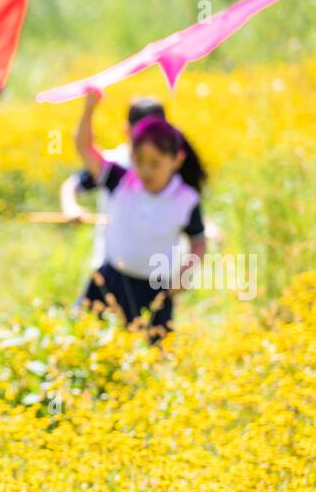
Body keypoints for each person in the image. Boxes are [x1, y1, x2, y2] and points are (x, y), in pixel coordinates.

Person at [74, 89, 208, 342]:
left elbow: (198, 241)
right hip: (110, 280)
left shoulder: (185, 199)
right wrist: (90, 107)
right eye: (139, 161)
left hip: (157, 288)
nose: (146, 170)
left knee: (156, 357)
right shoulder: (121, 181)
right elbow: (84, 147)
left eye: (155, 163)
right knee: (85, 343)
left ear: (176, 160)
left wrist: (186, 273)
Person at [59, 96, 165, 307]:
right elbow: (75, 179)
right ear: (128, 131)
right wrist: (71, 207)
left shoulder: (169, 170)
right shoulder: (116, 166)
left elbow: (184, 209)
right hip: (111, 265)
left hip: (153, 273)